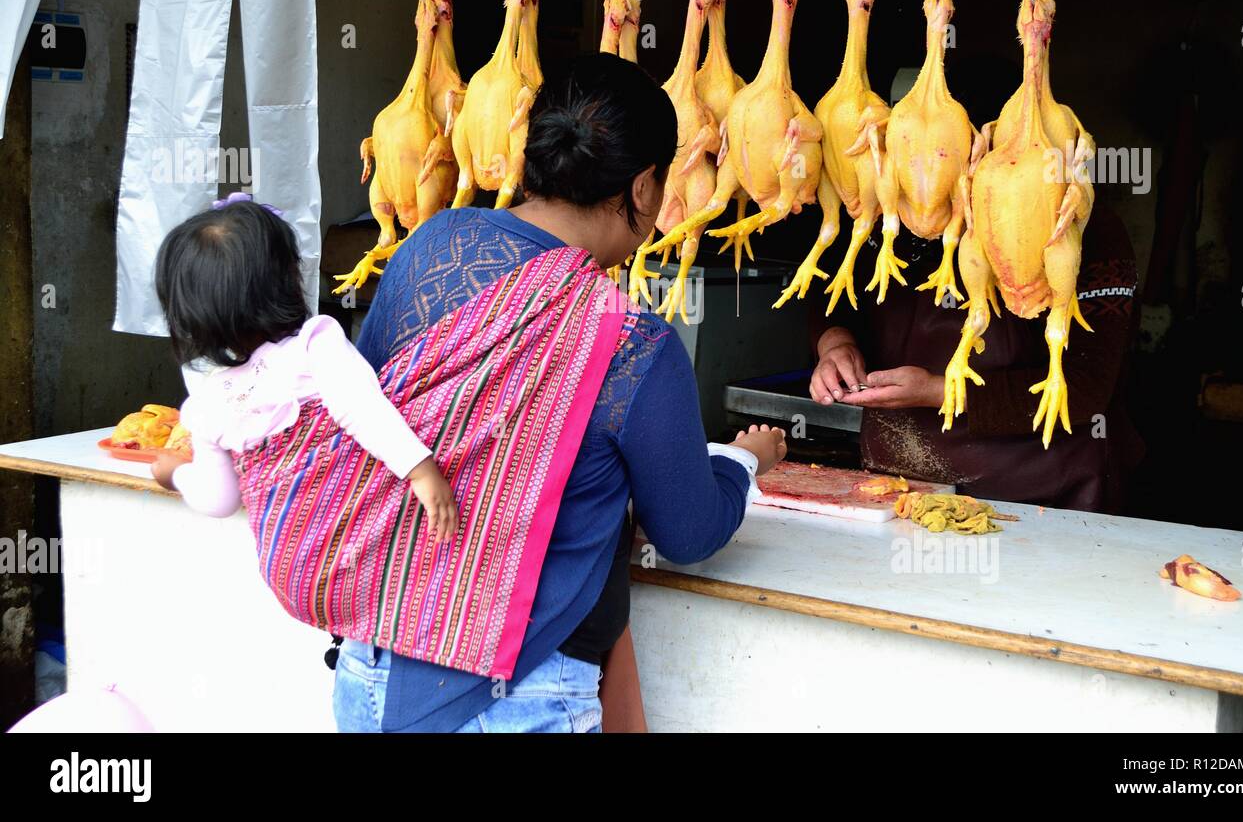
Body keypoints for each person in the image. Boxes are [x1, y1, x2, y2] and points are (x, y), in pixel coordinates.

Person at [336, 53, 787, 732]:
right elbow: (688, 531)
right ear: (642, 190)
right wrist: (742, 463)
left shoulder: (431, 249)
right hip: (516, 696)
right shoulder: (632, 344)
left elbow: (364, 424)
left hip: (370, 670)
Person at [149, 195, 456, 539]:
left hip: (286, 567)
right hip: (351, 544)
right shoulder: (314, 345)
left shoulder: (204, 406)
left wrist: (176, 475)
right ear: (290, 278)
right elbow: (361, 407)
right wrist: (419, 469)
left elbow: (220, 500)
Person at [810, 201, 1142, 512]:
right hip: (898, 488)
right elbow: (824, 286)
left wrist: (940, 392)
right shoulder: (881, 203)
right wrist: (835, 343)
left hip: (1042, 495)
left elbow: (1087, 386)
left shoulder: (1082, 225)